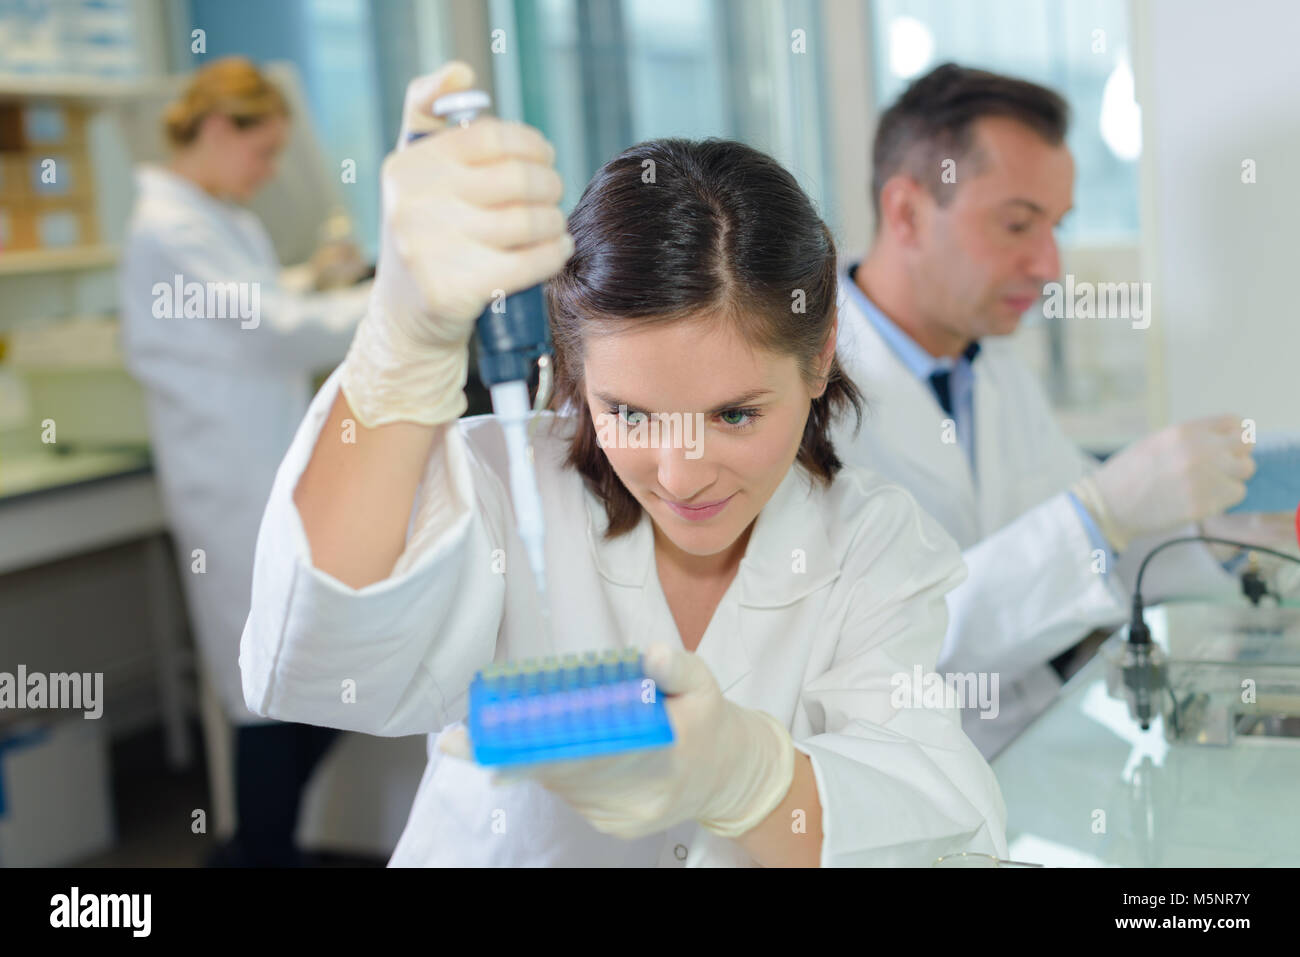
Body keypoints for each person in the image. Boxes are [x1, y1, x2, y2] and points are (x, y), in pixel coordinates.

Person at [238, 62, 1007, 866]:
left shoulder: (871, 544)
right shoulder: (504, 482)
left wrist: (748, 775)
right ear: (572, 369)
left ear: (819, 357)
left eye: (734, 414)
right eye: (630, 413)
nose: (681, 475)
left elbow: (941, 821)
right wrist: (399, 343)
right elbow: (317, 663)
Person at [832, 63, 1291, 758]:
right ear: (907, 213)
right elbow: (897, 646)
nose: (1049, 266)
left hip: (1033, 759)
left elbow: (1099, 554)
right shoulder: (806, 393)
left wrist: (1230, 534)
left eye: (1057, 227)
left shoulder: (991, 370)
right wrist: (1099, 508)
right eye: (1018, 224)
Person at [118, 56, 372, 865]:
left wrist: (311, 278)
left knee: (317, 677)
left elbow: (257, 305)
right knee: (271, 688)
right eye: (262, 153)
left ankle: (248, 851)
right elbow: (270, 330)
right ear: (220, 129)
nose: (266, 175)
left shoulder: (217, 215)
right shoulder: (168, 227)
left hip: (272, 473)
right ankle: (256, 853)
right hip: (230, 489)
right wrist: (397, 296)